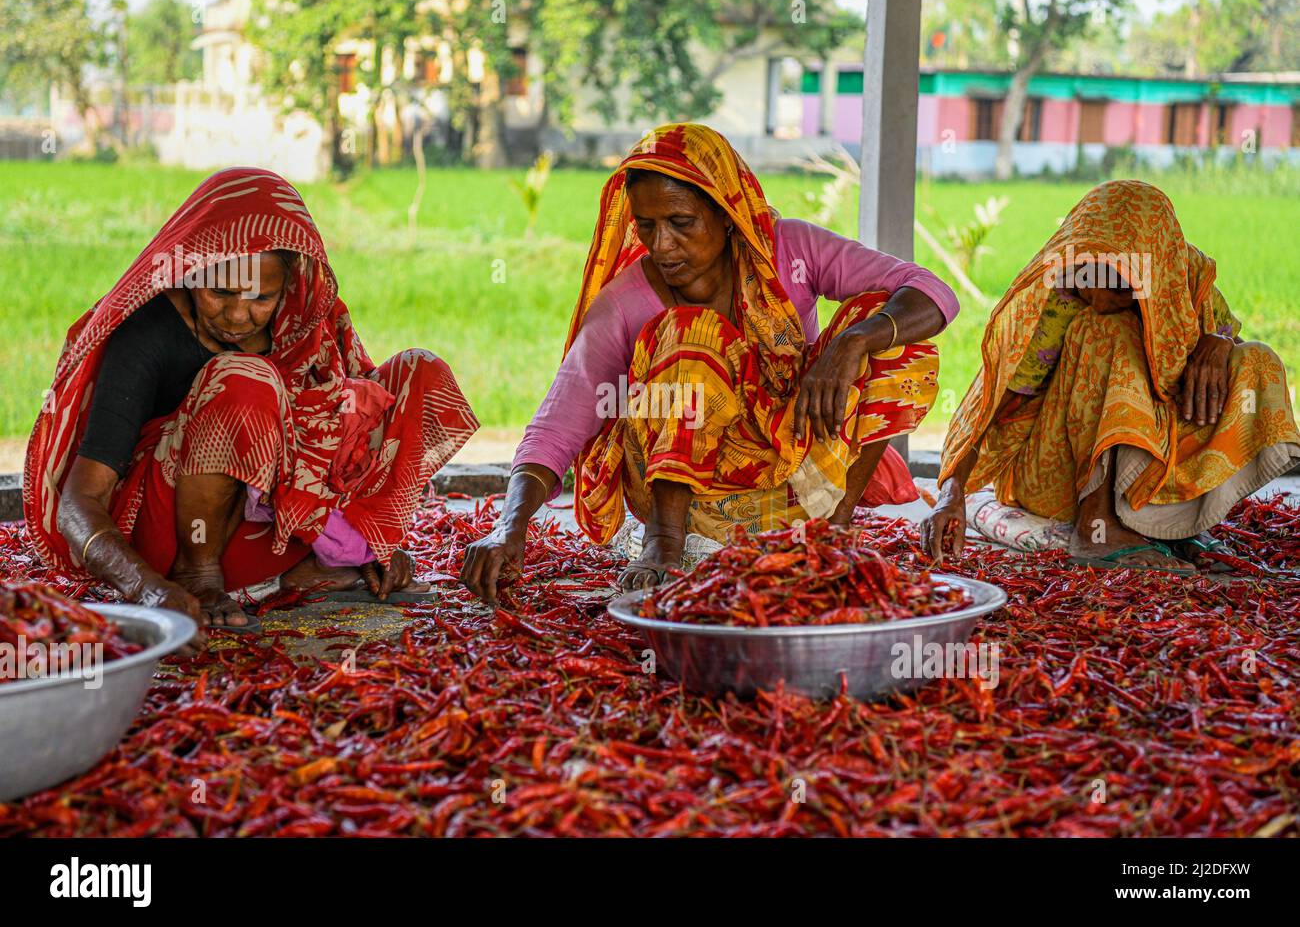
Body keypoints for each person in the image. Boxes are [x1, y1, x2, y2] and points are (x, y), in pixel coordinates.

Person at [461, 123, 957, 600]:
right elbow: (555, 426)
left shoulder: (787, 252)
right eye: (647, 226)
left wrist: (851, 343)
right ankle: (664, 545)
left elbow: (931, 292)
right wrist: (509, 526)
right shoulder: (626, 303)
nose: (662, 246)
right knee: (691, 332)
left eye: (680, 223)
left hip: (792, 478)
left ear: (725, 212)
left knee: (883, 325)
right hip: (692, 499)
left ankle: (832, 529)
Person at [25, 168, 479, 644]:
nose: (239, 316)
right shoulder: (148, 335)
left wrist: (370, 536)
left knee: (418, 373)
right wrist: (146, 588)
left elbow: (351, 434)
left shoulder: (305, 323)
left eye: (262, 297)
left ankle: (337, 557)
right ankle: (199, 574)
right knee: (244, 377)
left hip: (279, 534)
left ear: (288, 283)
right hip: (174, 539)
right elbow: (80, 502)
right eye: (219, 293)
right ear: (190, 270)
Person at [921, 179, 1299, 573]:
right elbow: (986, 407)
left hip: (1156, 453)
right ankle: (1096, 524)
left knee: (1256, 359)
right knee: (1106, 330)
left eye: (1120, 285)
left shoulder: (1179, 269)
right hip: (1055, 473)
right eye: (1090, 272)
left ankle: (1166, 522)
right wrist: (952, 493)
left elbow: (1230, 338)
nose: (1099, 296)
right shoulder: (1054, 296)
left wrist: (1217, 343)